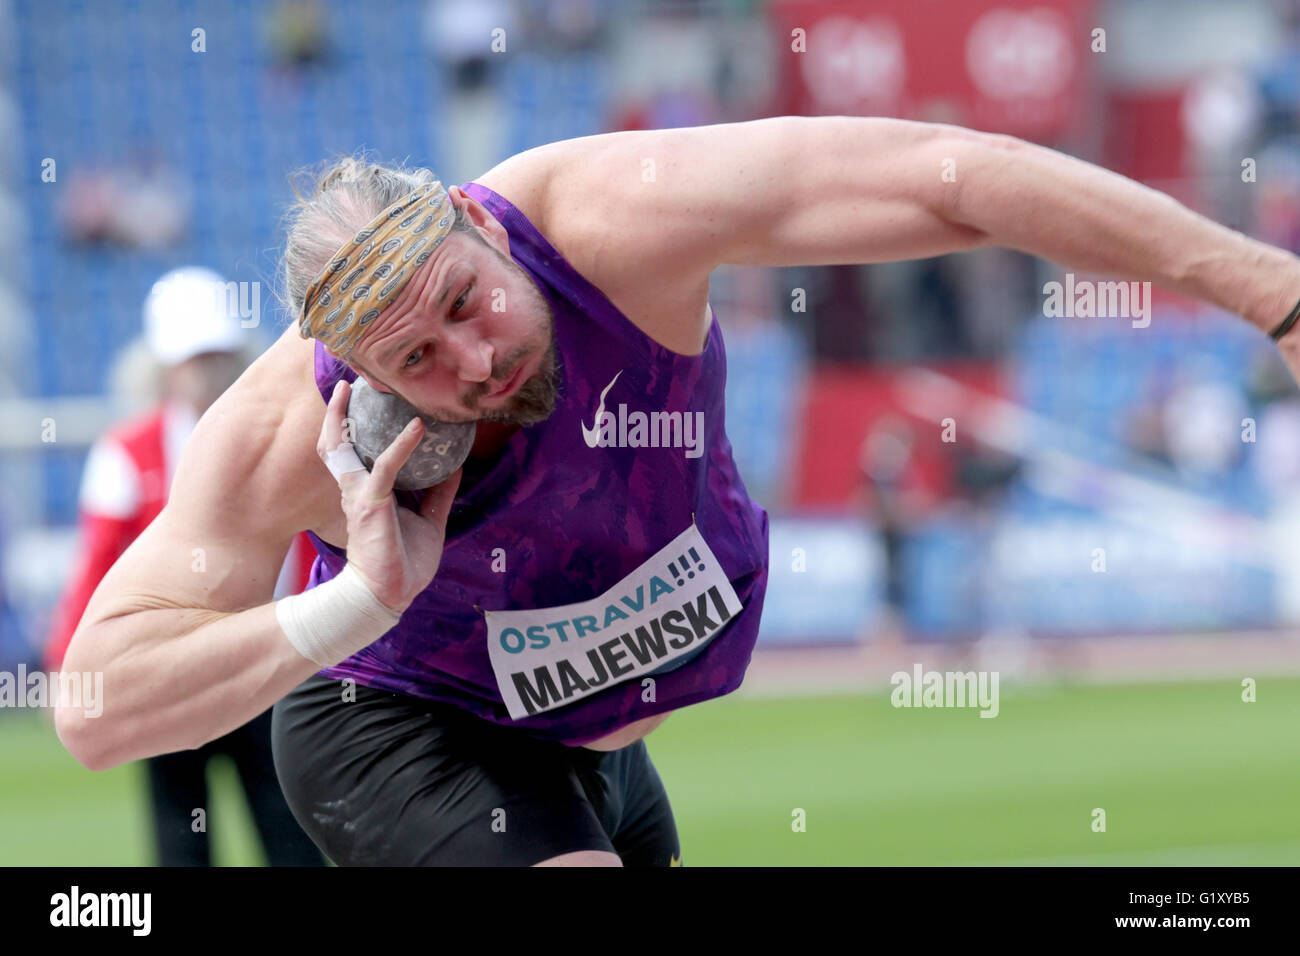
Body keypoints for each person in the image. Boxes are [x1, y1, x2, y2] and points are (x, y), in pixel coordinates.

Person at [53, 116, 1300, 866]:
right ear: (359, 379)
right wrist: (352, 604)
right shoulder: (283, 433)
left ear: (484, 230)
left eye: (463, 304)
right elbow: (94, 707)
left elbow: (943, 175)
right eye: (416, 365)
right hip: (395, 724)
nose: (473, 364)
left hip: (592, 749)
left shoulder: (617, 216)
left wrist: (1266, 292)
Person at [45, 266, 322, 867]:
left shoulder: (280, 433)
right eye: (195, 357)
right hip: (165, 662)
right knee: (178, 834)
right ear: (165, 365)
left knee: (290, 828)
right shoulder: (127, 451)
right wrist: (69, 662)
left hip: (268, 657)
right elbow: (96, 566)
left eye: (218, 354)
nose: (208, 370)